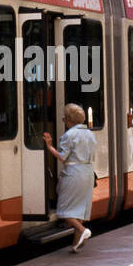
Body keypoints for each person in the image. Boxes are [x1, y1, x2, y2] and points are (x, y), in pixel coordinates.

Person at [42, 103, 97, 253]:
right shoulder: (90, 134)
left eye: (64, 119)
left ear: (68, 120)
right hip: (88, 171)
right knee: (78, 209)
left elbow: (62, 157)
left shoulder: (69, 135)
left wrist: (49, 146)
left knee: (64, 211)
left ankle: (82, 230)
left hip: (73, 173)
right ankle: (76, 243)